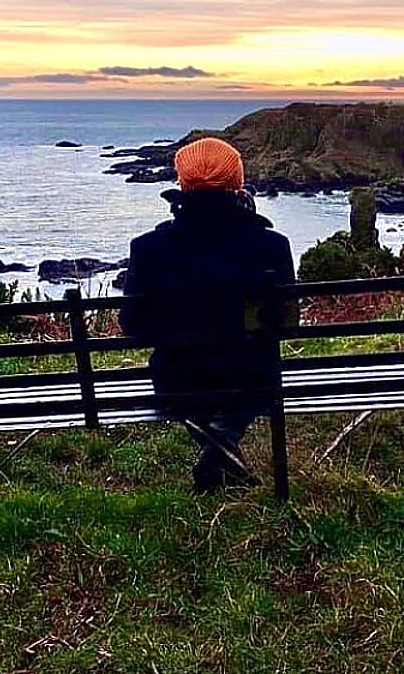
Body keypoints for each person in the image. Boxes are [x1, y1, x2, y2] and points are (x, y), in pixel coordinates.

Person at [119, 137, 296, 493]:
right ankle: (223, 438)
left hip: (177, 383)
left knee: (186, 377)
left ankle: (216, 446)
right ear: (237, 183)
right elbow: (286, 322)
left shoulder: (148, 248)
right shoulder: (272, 245)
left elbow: (133, 325)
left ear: (182, 183)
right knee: (253, 370)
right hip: (253, 381)